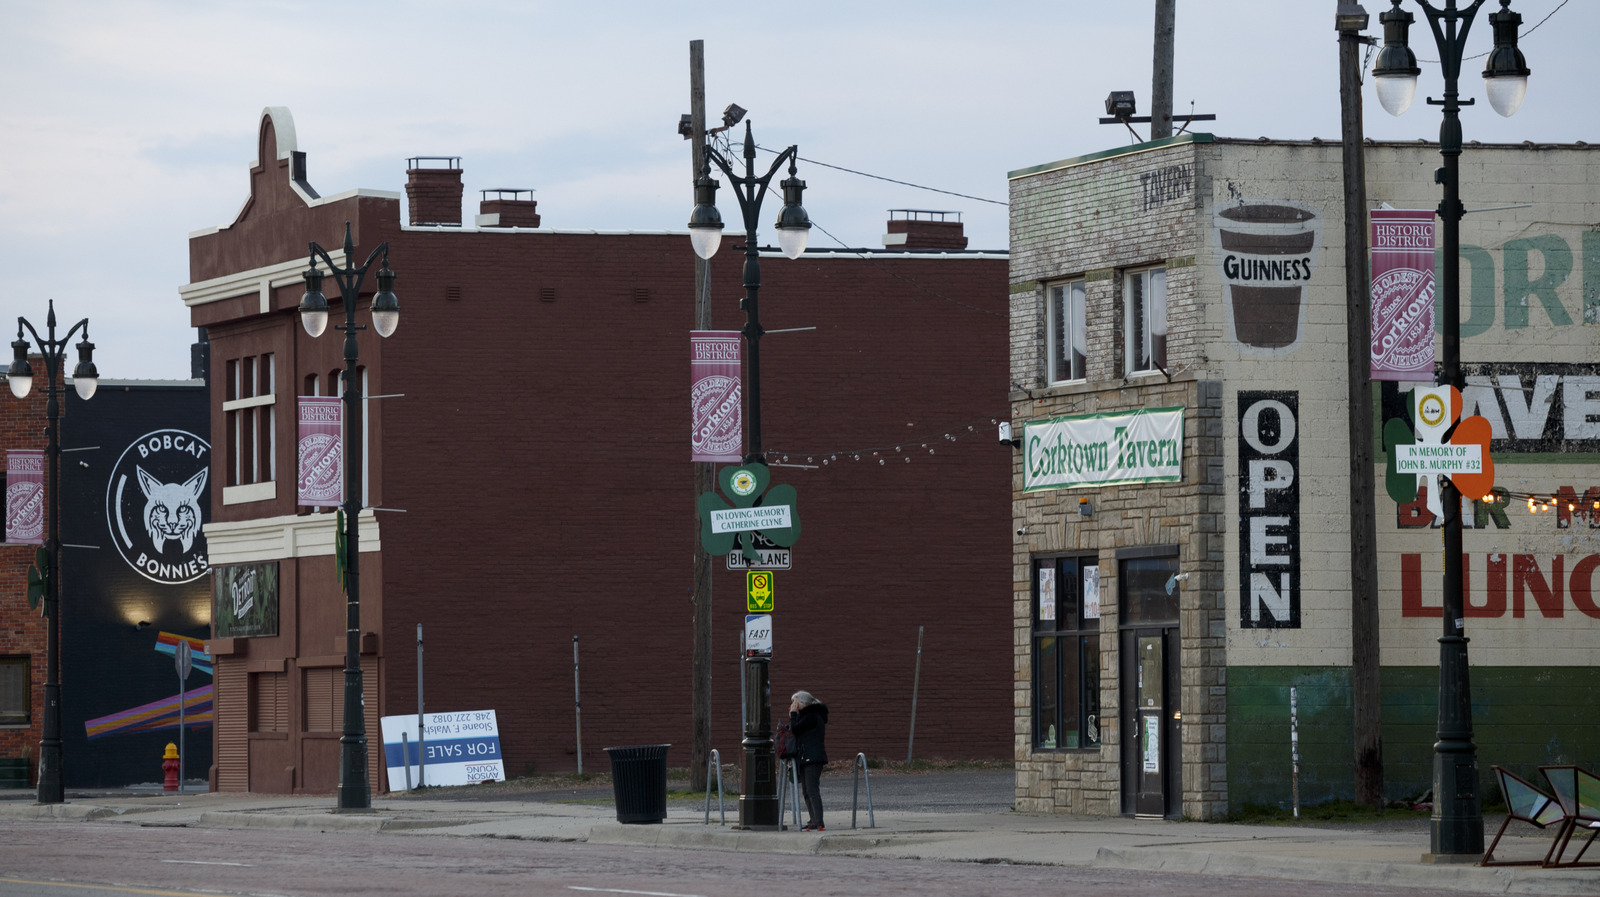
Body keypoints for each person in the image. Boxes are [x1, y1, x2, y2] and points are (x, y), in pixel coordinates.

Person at [789, 690, 828, 831]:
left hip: (813, 757)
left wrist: (793, 715)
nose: (792, 705)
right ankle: (813, 819)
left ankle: (818, 820)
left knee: (812, 790)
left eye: (794, 702)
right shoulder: (807, 715)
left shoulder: (811, 716)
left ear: (803, 703)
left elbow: (796, 729)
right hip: (806, 757)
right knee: (806, 790)